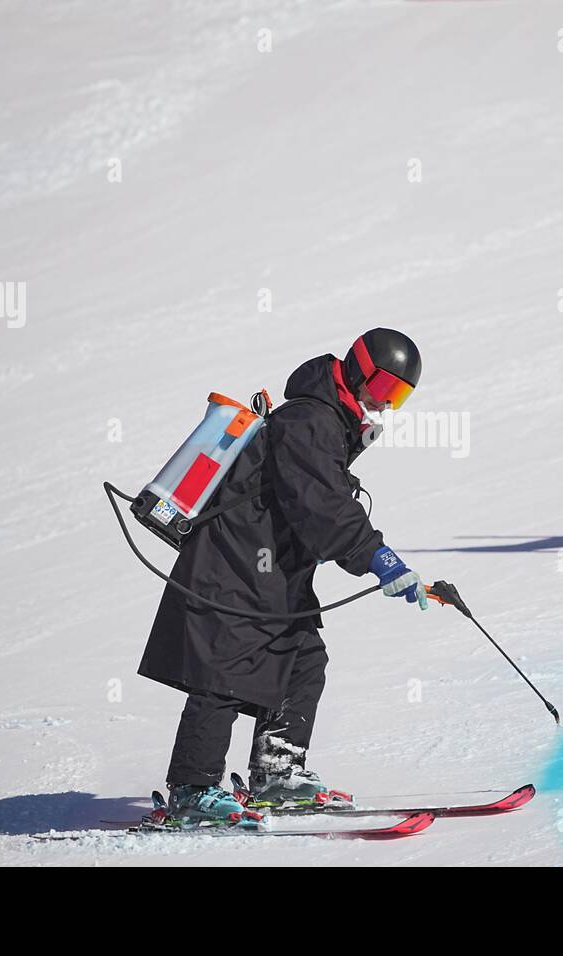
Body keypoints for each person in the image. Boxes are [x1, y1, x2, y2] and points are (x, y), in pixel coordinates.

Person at [137, 328, 427, 825]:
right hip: (230, 563)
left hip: (268, 569)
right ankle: (192, 789)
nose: (382, 404)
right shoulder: (309, 419)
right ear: (356, 370)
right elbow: (322, 505)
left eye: (396, 397)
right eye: (381, 389)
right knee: (224, 671)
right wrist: (376, 557)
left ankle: (276, 771)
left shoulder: (329, 422)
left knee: (302, 656)